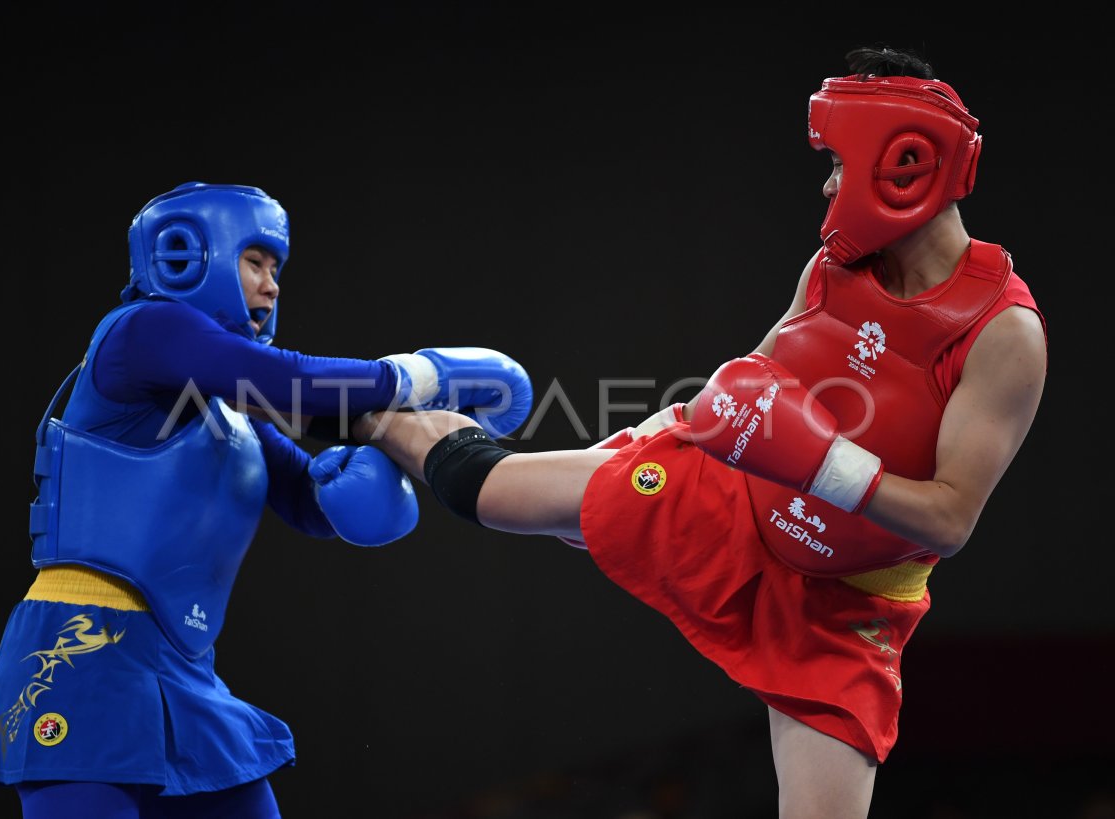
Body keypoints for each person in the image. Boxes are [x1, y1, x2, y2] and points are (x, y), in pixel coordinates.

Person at [346, 46, 1048, 819]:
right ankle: (369, 409)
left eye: (837, 164)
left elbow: (950, 519)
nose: (826, 186)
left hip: (843, 610)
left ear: (902, 166)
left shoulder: (1003, 333)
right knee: (488, 491)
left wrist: (826, 463)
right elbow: (747, 386)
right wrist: (648, 440)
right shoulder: (831, 269)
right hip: (734, 502)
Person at [0, 181, 535, 818]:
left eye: (277, 269)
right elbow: (291, 379)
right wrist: (425, 375)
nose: (272, 286)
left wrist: (368, 481)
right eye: (255, 262)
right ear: (189, 255)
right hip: (80, 650)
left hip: (181, 665)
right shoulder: (143, 330)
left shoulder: (230, 412)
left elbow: (308, 502)